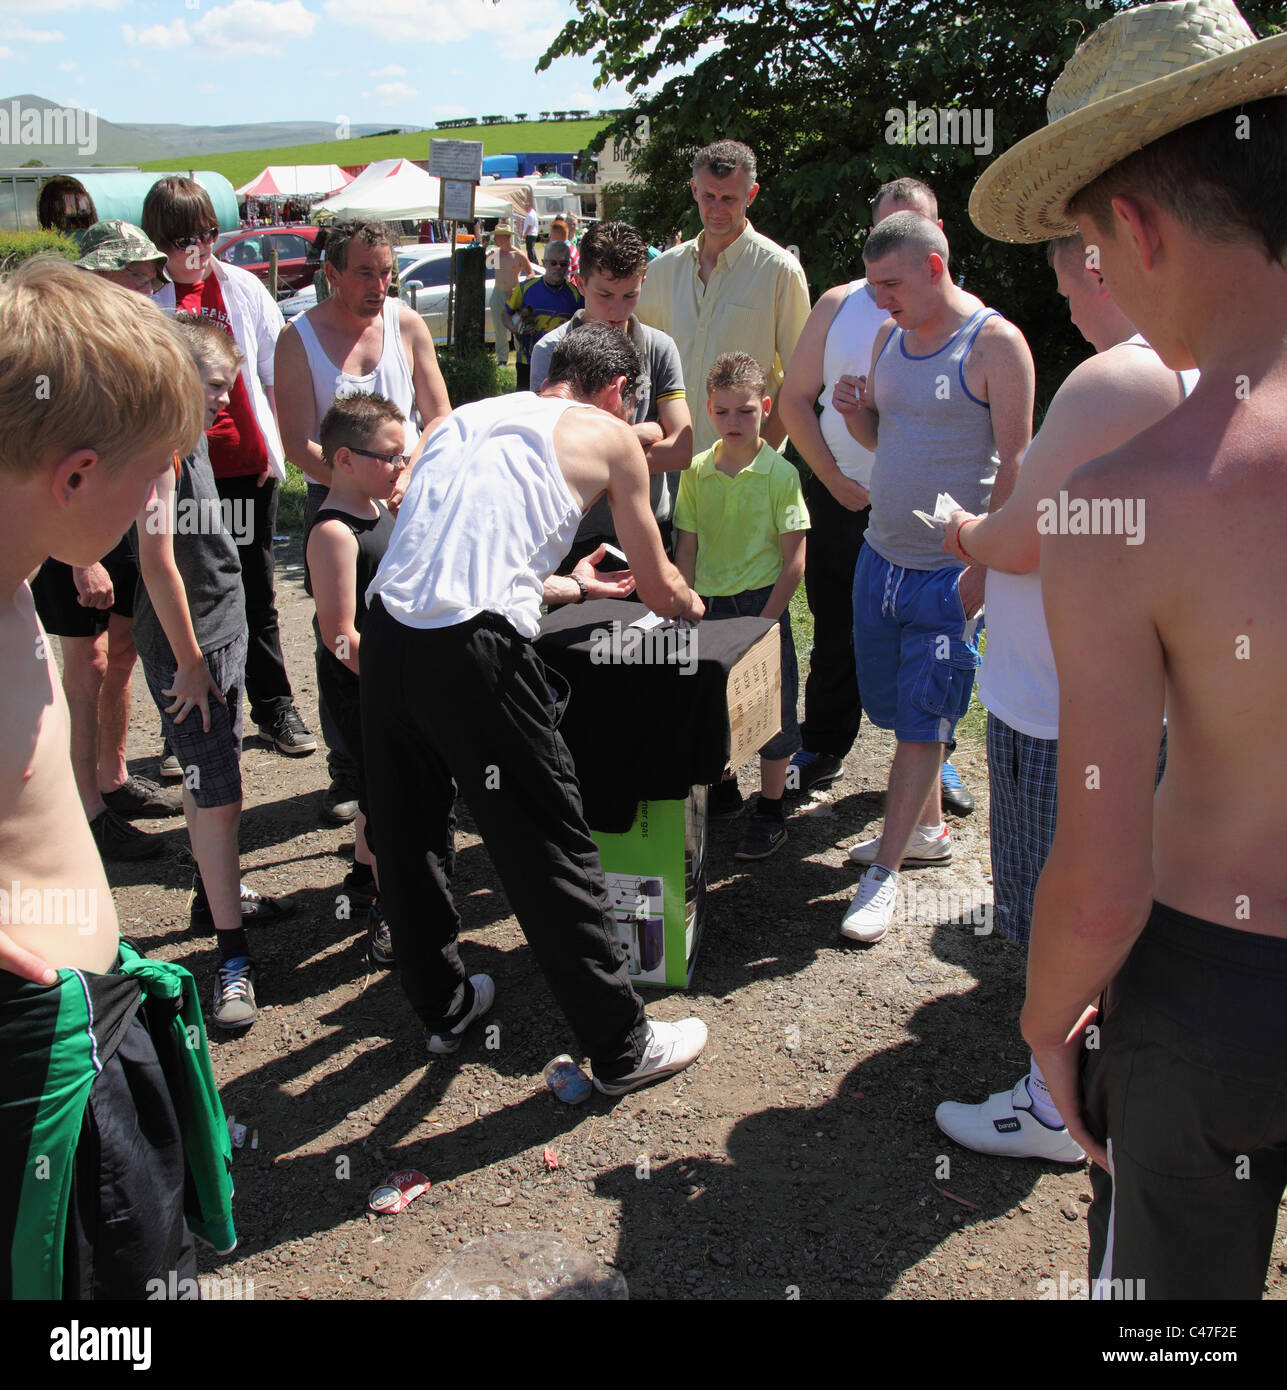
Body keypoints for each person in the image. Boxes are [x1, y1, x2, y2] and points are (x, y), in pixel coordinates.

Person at [971, 0, 1287, 1300]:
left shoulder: (1136, 498)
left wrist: (1047, 1025)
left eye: (1092, 239)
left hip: (1217, 984)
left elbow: (1100, 874)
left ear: (1138, 229)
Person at [362, 321, 708, 1093]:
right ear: (617, 391)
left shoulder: (459, 418)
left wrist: (555, 580)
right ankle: (622, 1046)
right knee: (547, 843)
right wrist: (690, 602)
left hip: (388, 632)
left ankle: (445, 1007)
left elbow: (446, 536)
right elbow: (657, 586)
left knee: (406, 831)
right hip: (471, 651)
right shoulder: (610, 437)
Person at [933, 231, 1193, 1164]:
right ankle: (1115, 1086)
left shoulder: (1117, 379)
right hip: (1137, 695)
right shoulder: (1206, 367)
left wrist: (965, 533)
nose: (1069, 308)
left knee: (1068, 902)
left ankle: (1060, 1107)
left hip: (1063, 706)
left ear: (1097, 264)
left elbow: (1026, 537)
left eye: (1066, 286)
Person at [0, 259, 234, 1297]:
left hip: (90, 1024)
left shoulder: (15, 577)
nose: (160, 503)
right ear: (77, 475)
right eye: (155, 477)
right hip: (34, 1068)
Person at [833, 210, 1034, 944]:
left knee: (923, 724)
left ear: (933, 268)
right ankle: (924, 833)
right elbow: (880, 439)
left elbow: (1018, 462)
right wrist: (857, 414)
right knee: (891, 711)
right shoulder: (889, 337)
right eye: (872, 286)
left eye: (889, 284)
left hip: (947, 573)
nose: (878, 301)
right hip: (878, 556)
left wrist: (985, 562)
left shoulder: (993, 343)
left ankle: (881, 875)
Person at [778, 178, 982, 814]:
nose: (891, 252)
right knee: (838, 627)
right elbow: (792, 400)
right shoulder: (839, 304)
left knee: (938, 640)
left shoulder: (974, 319)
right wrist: (835, 481)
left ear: (936, 239)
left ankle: (934, 768)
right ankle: (825, 743)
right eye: (881, 234)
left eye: (909, 228)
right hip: (843, 495)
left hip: (934, 511)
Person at [134, 314, 292, 1032]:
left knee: (219, 786)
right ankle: (232, 959)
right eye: (217, 387)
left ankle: (215, 894)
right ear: (176, 378)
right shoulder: (160, 449)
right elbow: (156, 561)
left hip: (220, 631)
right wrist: (191, 666)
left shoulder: (192, 433)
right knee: (218, 796)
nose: (227, 401)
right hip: (188, 649)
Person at [275, 220, 451, 825]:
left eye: (387, 272)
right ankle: (348, 769)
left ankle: (419, 752)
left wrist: (402, 476)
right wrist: (355, 482)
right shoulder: (298, 339)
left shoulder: (405, 323)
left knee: (414, 620)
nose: (380, 285)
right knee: (342, 634)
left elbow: (439, 414)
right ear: (331, 273)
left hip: (406, 503)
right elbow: (297, 440)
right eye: (365, 273)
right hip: (340, 507)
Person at [144, 177, 318, 761]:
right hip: (179, 473)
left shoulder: (242, 287)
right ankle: (186, 724)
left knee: (254, 589)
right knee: (186, 590)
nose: (199, 248)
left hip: (241, 467)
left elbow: (273, 369)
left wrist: (280, 447)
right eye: (184, 239)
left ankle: (272, 708)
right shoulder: (146, 301)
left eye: (209, 234)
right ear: (159, 241)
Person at [29, 221, 182, 863]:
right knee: (86, 664)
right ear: (98, 277)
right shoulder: (61, 353)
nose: (148, 288)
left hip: (121, 520)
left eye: (152, 277)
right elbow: (50, 461)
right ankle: (86, 811)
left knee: (121, 653)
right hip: (72, 531)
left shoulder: (131, 345)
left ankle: (112, 780)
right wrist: (82, 556)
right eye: (136, 276)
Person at [674, 353, 808, 859]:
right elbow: (685, 547)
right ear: (708, 410)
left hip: (762, 605)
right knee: (716, 706)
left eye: (746, 412)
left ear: (765, 409)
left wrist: (765, 622)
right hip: (706, 606)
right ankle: (725, 790)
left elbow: (794, 560)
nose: (735, 422)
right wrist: (685, 604)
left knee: (770, 707)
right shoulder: (695, 472)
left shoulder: (781, 474)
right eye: (724, 411)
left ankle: (771, 810)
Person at [305, 393, 403, 968]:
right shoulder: (335, 532)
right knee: (390, 800)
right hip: (362, 686)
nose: (399, 466)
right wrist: (397, 682)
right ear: (344, 459)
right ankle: (390, 912)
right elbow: (339, 636)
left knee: (376, 792)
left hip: (382, 678)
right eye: (388, 456)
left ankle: (363, 879)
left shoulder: (378, 509)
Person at [529, 220, 692, 566]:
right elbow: (551, 456)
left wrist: (595, 457)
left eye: (630, 295)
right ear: (580, 283)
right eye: (605, 295)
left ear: (643, 284)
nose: (618, 311)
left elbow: (681, 449)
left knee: (649, 623)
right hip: (575, 536)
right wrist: (638, 436)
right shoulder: (550, 350)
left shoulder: (660, 349)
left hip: (650, 530)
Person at [638, 140, 811, 453]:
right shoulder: (662, 270)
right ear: (694, 190)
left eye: (729, 198)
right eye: (708, 196)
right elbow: (638, 362)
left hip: (745, 470)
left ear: (752, 195)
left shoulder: (780, 271)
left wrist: (761, 457)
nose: (717, 209)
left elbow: (800, 380)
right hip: (670, 463)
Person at [506, 242, 582, 391]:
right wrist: (515, 327)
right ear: (544, 263)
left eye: (563, 264)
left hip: (561, 363)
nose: (558, 268)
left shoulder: (576, 295)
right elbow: (506, 313)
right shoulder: (526, 288)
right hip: (527, 361)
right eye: (553, 263)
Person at [485, 224, 532, 369]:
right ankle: (502, 358)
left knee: (517, 324)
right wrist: (487, 250)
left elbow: (530, 273)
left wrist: (520, 288)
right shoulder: (496, 253)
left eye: (498, 235)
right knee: (499, 327)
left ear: (506, 237)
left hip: (513, 294)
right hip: (498, 291)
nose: (495, 238)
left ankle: (520, 354)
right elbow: (488, 265)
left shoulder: (517, 255)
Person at [521, 196, 539, 262]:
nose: (525, 208)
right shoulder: (533, 213)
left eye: (526, 206)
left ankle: (532, 261)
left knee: (529, 249)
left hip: (530, 234)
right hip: (533, 233)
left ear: (529, 206)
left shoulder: (530, 214)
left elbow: (529, 225)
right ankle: (535, 260)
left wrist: (525, 234)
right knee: (531, 248)